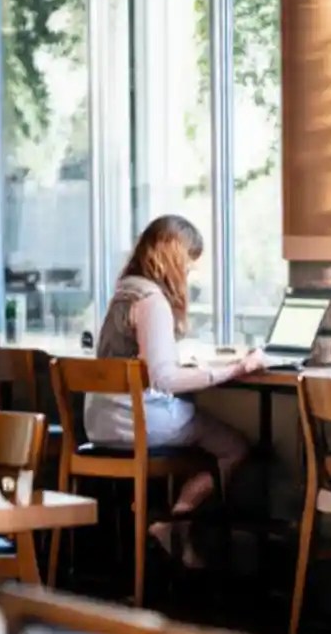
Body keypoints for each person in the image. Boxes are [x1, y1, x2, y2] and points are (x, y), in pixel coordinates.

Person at [85, 215, 264, 564]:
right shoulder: (152, 301)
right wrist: (232, 370)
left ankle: (171, 522)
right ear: (175, 257)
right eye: (190, 264)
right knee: (233, 446)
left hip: (100, 422)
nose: (190, 274)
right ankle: (177, 520)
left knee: (195, 434)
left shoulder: (124, 290)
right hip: (137, 423)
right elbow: (164, 380)